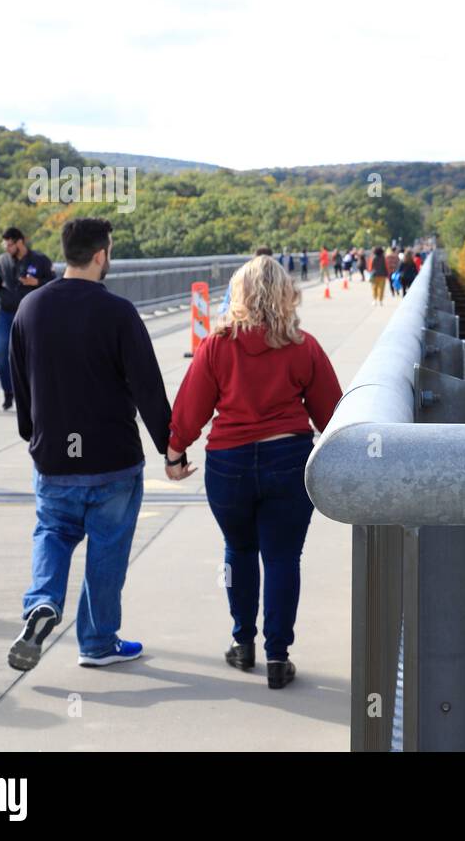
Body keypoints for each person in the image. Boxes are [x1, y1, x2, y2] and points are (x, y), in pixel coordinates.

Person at [6, 218, 174, 672]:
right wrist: (170, 449)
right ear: (101, 255)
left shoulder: (30, 309)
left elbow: (22, 384)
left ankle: (42, 603)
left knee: (53, 533)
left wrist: (33, 434)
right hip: (112, 458)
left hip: (55, 457)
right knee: (107, 550)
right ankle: (97, 643)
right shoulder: (118, 312)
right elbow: (148, 387)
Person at [167, 256, 343, 689]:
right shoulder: (303, 346)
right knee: (283, 558)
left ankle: (242, 643)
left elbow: (191, 408)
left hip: (230, 465)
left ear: (238, 294)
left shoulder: (216, 345)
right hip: (288, 461)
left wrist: (175, 454)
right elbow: (332, 414)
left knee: (238, 550)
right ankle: (278, 656)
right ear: (286, 294)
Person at [0, 228, 54, 411]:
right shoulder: (3, 260)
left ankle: (33, 394)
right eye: (5, 245)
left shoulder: (40, 260)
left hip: (32, 313)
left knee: (31, 356)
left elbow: (54, 283)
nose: (7, 248)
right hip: (7, 313)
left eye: (10, 244)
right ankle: (9, 392)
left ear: (20, 242)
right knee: (0, 352)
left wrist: (37, 283)